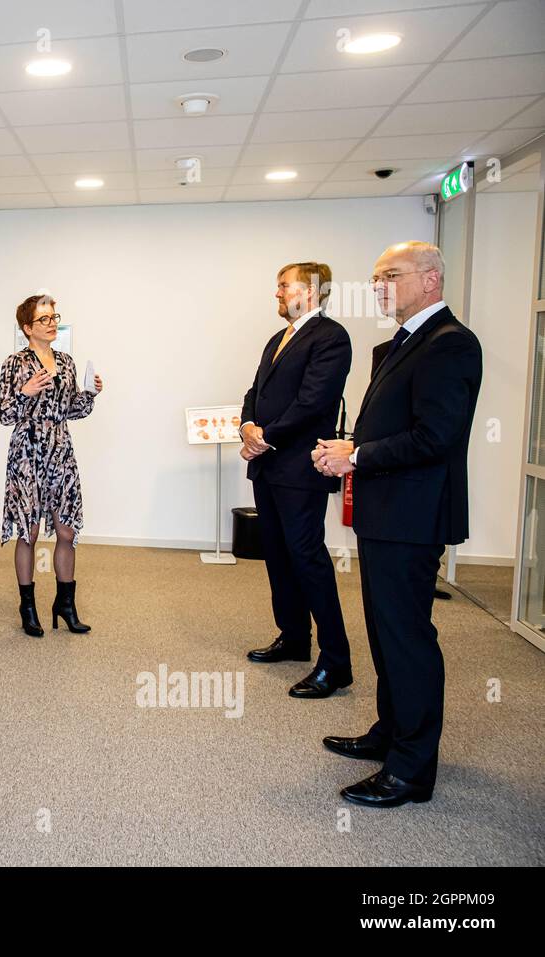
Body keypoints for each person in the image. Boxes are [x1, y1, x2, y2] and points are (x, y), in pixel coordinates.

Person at [313, 241, 482, 808]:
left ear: (431, 279)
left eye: (391, 275)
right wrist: (352, 445)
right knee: (386, 635)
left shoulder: (451, 344)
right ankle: (390, 733)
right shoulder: (398, 344)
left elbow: (436, 437)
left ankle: (411, 771)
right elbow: (393, 425)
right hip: (386, 514)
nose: (380, 285)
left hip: (413, 516)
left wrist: (356, 457)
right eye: (376, 276)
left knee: (408, 641)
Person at [240, 262, 353, 698]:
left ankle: (335, 661)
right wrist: (248, 427)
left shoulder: (331, 337)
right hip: (268, 464)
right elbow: (256, 392)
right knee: (278, 553)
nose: (277, 293)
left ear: (311, 290)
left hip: (300, 467)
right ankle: (293, 637)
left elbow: (312, 403)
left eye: (283, 286)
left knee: (307, 557)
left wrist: (265, 437)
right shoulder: (277, 338)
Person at [0, 294, 102, 637]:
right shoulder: (14, 364)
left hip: (60, 451)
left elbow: (74, 411)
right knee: (27, 532)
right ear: (27, 328)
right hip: (27, 453)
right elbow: (4, 415)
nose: (52, 323)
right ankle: (27, 607)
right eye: (45, 319)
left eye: (55, 317)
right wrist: (25, 391)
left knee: (66, 532)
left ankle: (65, 604)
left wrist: (89, 394)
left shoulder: (67, 362)